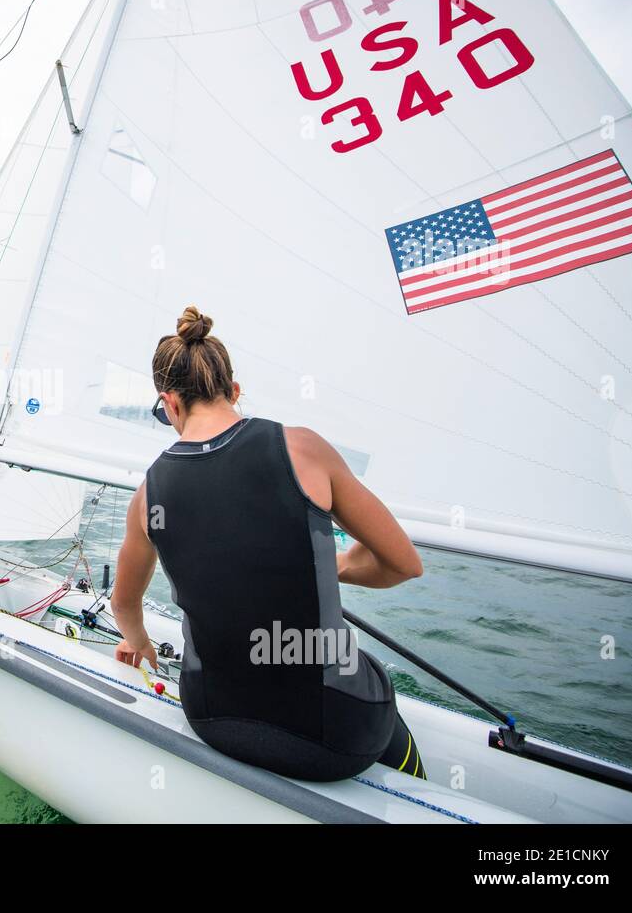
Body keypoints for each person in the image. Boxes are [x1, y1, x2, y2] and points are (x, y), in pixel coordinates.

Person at [110, 306, 426, 782]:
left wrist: (141, 645)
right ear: (234, 392)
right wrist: (332, 565)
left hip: (214, 721)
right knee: (367, 671)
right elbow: (402, 564)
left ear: (169, 403)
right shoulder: (301, 448)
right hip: (336, 739)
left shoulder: (147, 496)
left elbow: (124, 602)